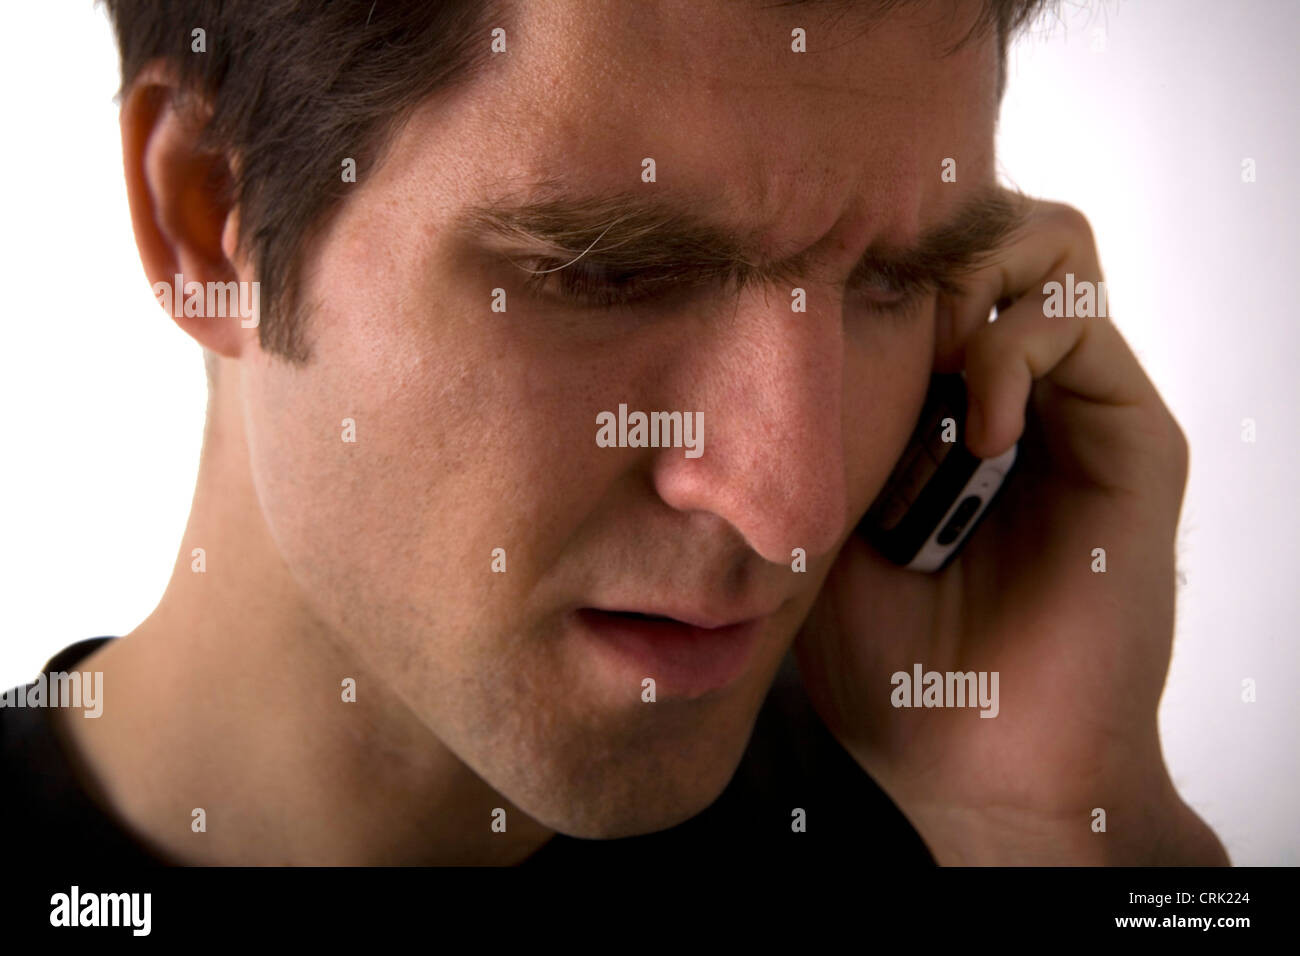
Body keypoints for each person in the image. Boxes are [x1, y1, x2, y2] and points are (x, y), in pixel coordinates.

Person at [0, 0, 1229, 866]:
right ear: (207, 214)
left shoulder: (961, 796)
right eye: (606, 274)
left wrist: (1059, 833)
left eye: (895, 281)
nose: (791, 506)